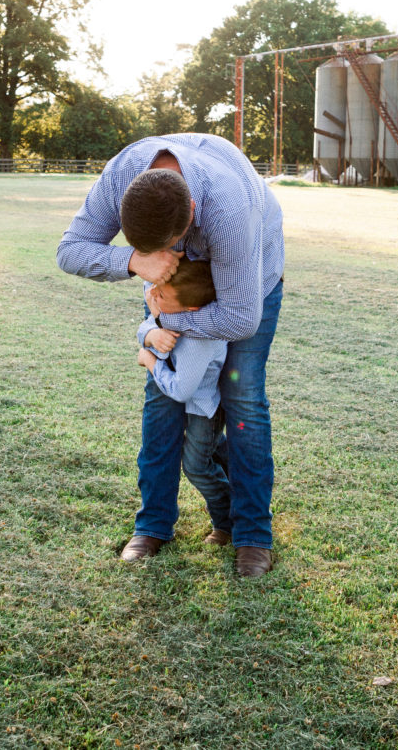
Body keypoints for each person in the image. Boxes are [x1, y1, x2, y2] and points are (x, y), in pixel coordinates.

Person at [56, 133, 284, 578]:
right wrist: (133, 262)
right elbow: (69, 250)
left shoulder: (228, 208)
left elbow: (240, 319)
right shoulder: (122, 173)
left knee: (244, 400)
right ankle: (154, 525)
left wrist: (165, 326)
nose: (171, 254)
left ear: (193, 214)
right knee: (162, 399)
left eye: (174, 244)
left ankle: (252, 535)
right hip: (175, 293)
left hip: (249, 284)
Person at [134, 259, 232, 547]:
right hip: (195, 409)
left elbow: (179, 390)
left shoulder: (198, 337)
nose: (152, 294)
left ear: (190, 309)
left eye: (161, 294)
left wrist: (151, 361)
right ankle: (233, 510)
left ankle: (228, 521)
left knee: (196, 466)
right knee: (213, 454)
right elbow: (149, 324)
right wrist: (151, 333)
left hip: (204, 411)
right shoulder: (175, 313)